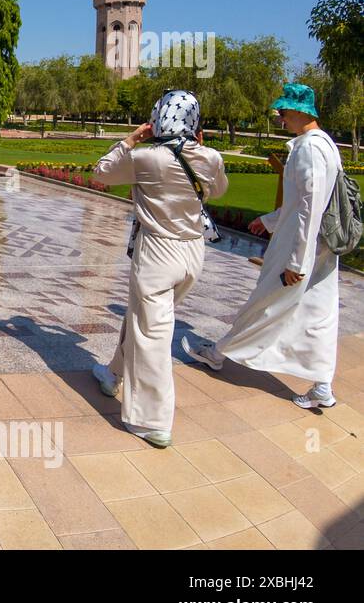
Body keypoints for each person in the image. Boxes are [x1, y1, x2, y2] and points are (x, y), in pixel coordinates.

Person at [184, 83, 342, 409]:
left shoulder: (309, 149)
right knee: (317, 313)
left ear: (300, 111)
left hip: (300, 247)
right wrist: (269, 221)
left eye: (283, 112)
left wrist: (296, 261)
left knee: (265, 303)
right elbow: (305, 202)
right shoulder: (325, 145)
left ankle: (217, 353)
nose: (280, 118)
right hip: (317, 246)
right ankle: (322, 385)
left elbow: (309, 208)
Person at [91, 90, 229, 448]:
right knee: (143, 319)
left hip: (157, 254)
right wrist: (198, 148)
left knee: (152, 334)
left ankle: (153, 421)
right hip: (192, 253)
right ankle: (112, 374)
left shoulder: (146, 157)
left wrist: (132, 138)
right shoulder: (210, 156)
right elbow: (219, 189)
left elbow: (102, 173)